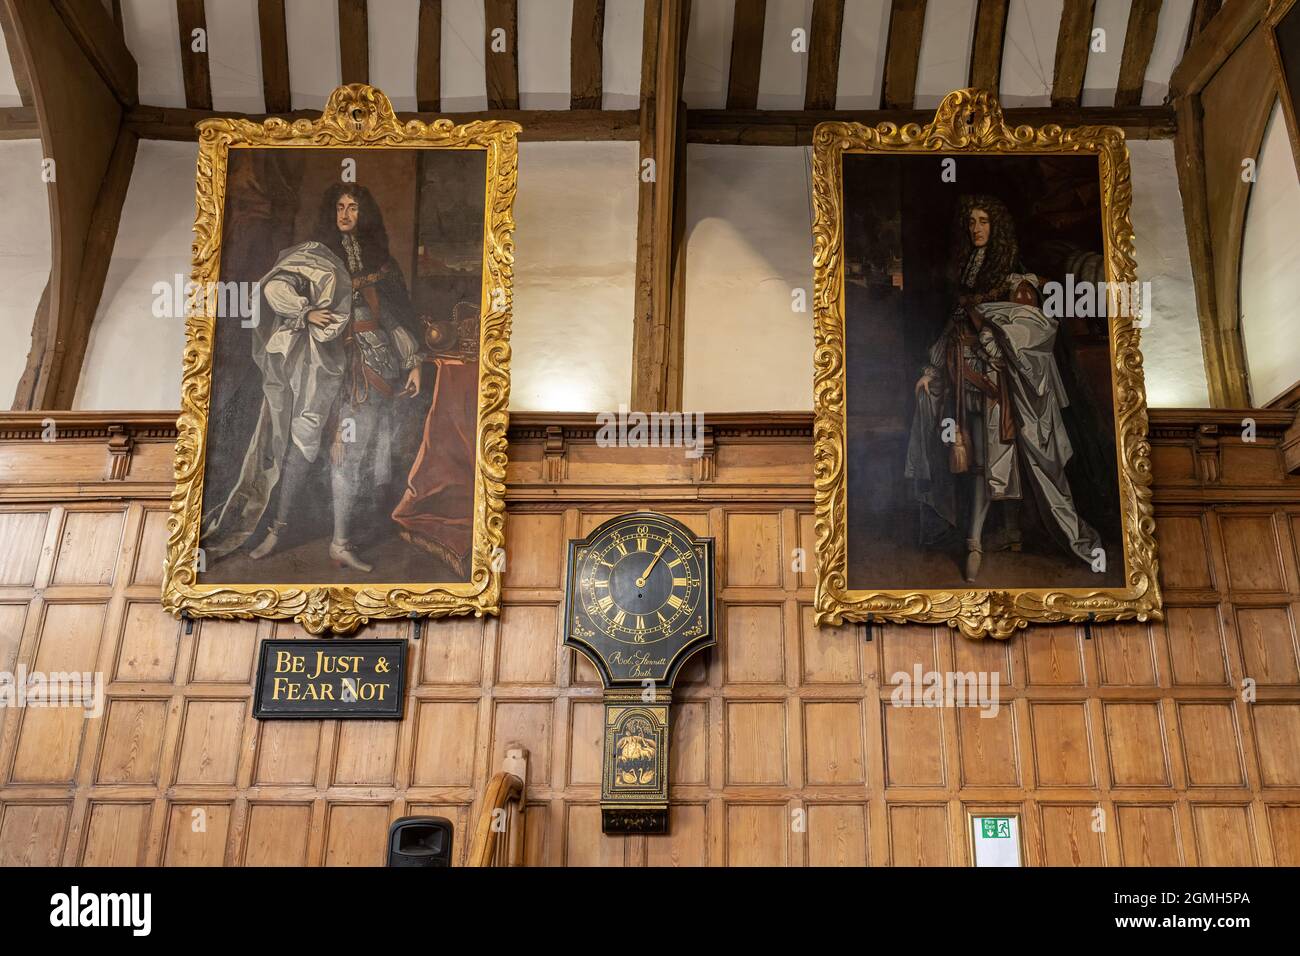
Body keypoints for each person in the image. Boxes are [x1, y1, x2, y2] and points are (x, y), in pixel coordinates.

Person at [204, 183, 423, 572]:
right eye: (339, 206)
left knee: (349, 457)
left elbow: (393, 316)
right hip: (320, 364)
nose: (345, 214)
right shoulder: (314, 255)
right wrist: (304, 313)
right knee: (301, 451)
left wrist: (414, 361)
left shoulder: (381, 261)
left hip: (370, 366)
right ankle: (276, 528)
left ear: (364, 213)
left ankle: (340, 543)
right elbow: (273, 286)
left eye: (353, 207)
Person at [905, 194, 1101, 581]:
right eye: (972, 222)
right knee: (976, 455)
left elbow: (1029, 327)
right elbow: (954, 324)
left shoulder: (1013, 273)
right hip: (963, 376)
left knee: (992, 460)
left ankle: (976, 542)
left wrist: (994, 334)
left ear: (997, 229)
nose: (976, 228)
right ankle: (1004, 533)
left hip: (998, 380)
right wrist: (931, 368)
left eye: (983, 222)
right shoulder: (966, 269)